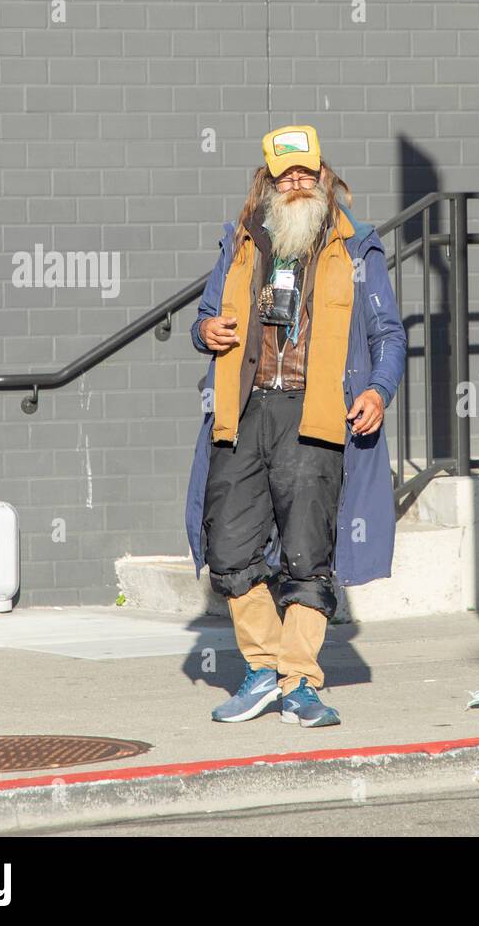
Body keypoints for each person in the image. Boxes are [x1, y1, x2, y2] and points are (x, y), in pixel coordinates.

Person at [183, 124, 405, 727]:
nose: (299, 183)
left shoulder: (356, 247)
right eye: (287, 176)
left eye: (308, 172)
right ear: (268, 182)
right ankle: (262, 670)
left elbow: (389, 334)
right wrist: (206, 330)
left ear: (324, 176)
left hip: (316, 412)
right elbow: (205, 316)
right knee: (229, 547)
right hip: (245, 408)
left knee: (308, 553)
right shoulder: (242, 242)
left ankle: (300, 680)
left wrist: (378, 391)